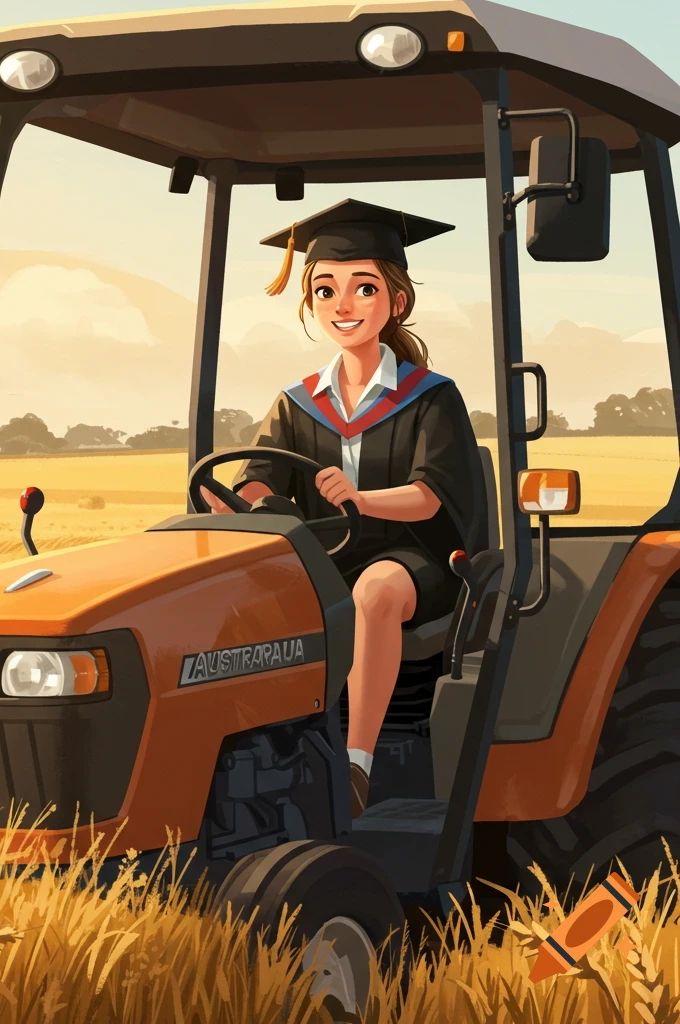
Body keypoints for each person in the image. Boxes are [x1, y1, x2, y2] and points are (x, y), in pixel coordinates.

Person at [202, 198, 487, 817]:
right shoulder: (297, 401)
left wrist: (361, 498)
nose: (344, 304)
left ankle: (356, 765)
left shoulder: (430, 397)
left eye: (363, 287)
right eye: (326, 289)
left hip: (418, 559)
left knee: (374, 593)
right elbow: (259, 479)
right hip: (322, 558)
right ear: (310, 303)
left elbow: (429, 495)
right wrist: (238, 501)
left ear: (396, 300)